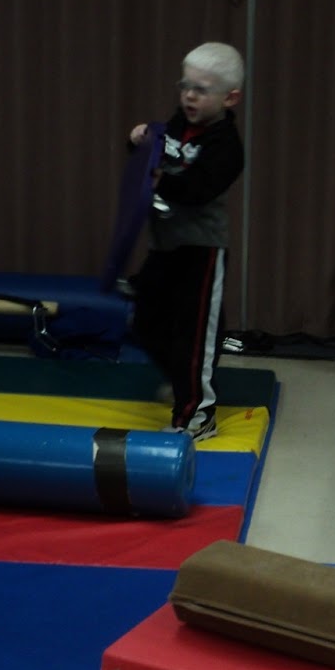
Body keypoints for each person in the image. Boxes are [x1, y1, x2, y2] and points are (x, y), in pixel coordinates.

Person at [126, 42, 245, 441]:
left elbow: (196, 189)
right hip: (166, 246)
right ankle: (183, 383)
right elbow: (156, 153)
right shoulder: (179, 121)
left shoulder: (227, 147)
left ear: (230, 98)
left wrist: (160, 176)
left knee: (195, 335)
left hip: (201, 249)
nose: (190, 96)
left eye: (202, 90)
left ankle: (197, 416)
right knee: (145, 321)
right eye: (185, 85)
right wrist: (141, 141)